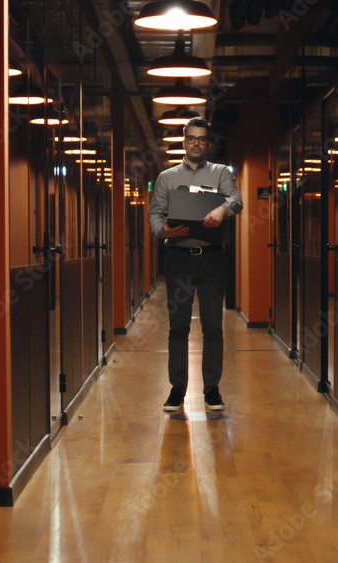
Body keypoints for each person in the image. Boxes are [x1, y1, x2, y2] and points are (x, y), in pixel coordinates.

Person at [147, 117, 243, 412]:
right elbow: (154, 214)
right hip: (178, 260)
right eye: (192, 138)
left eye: (202, 139)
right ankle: (177, 391)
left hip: (213, 259)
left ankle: (212, 391)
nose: (197, 143)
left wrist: (222, 208)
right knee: (178, 328)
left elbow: (237, 200)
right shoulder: (167, 177)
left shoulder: (220, 173)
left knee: (213, 328)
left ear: (208, 143)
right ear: (184, 141)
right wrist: (164, 231)